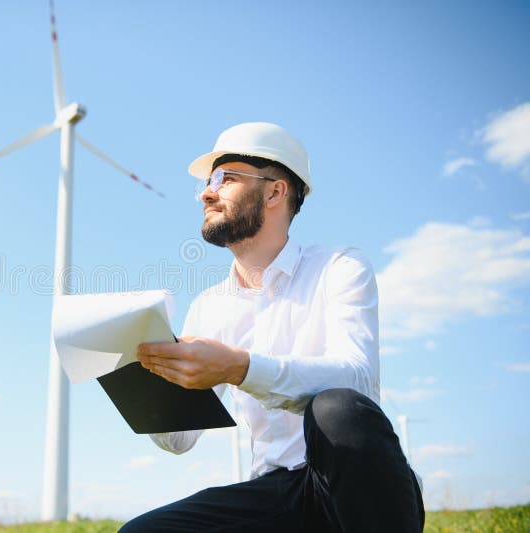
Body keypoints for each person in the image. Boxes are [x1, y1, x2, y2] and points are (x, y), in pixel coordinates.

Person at [121, 122, 424, 532]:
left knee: (335, 408)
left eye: (225, 178)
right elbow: (180, 440)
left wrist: (238, 367)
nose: (207, 192)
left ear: (275, 191)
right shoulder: (210, 306)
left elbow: (356, 377)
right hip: (278, 494)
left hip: (359, 487)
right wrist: (142, 374)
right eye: (208, 182)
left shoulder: (339, 267)